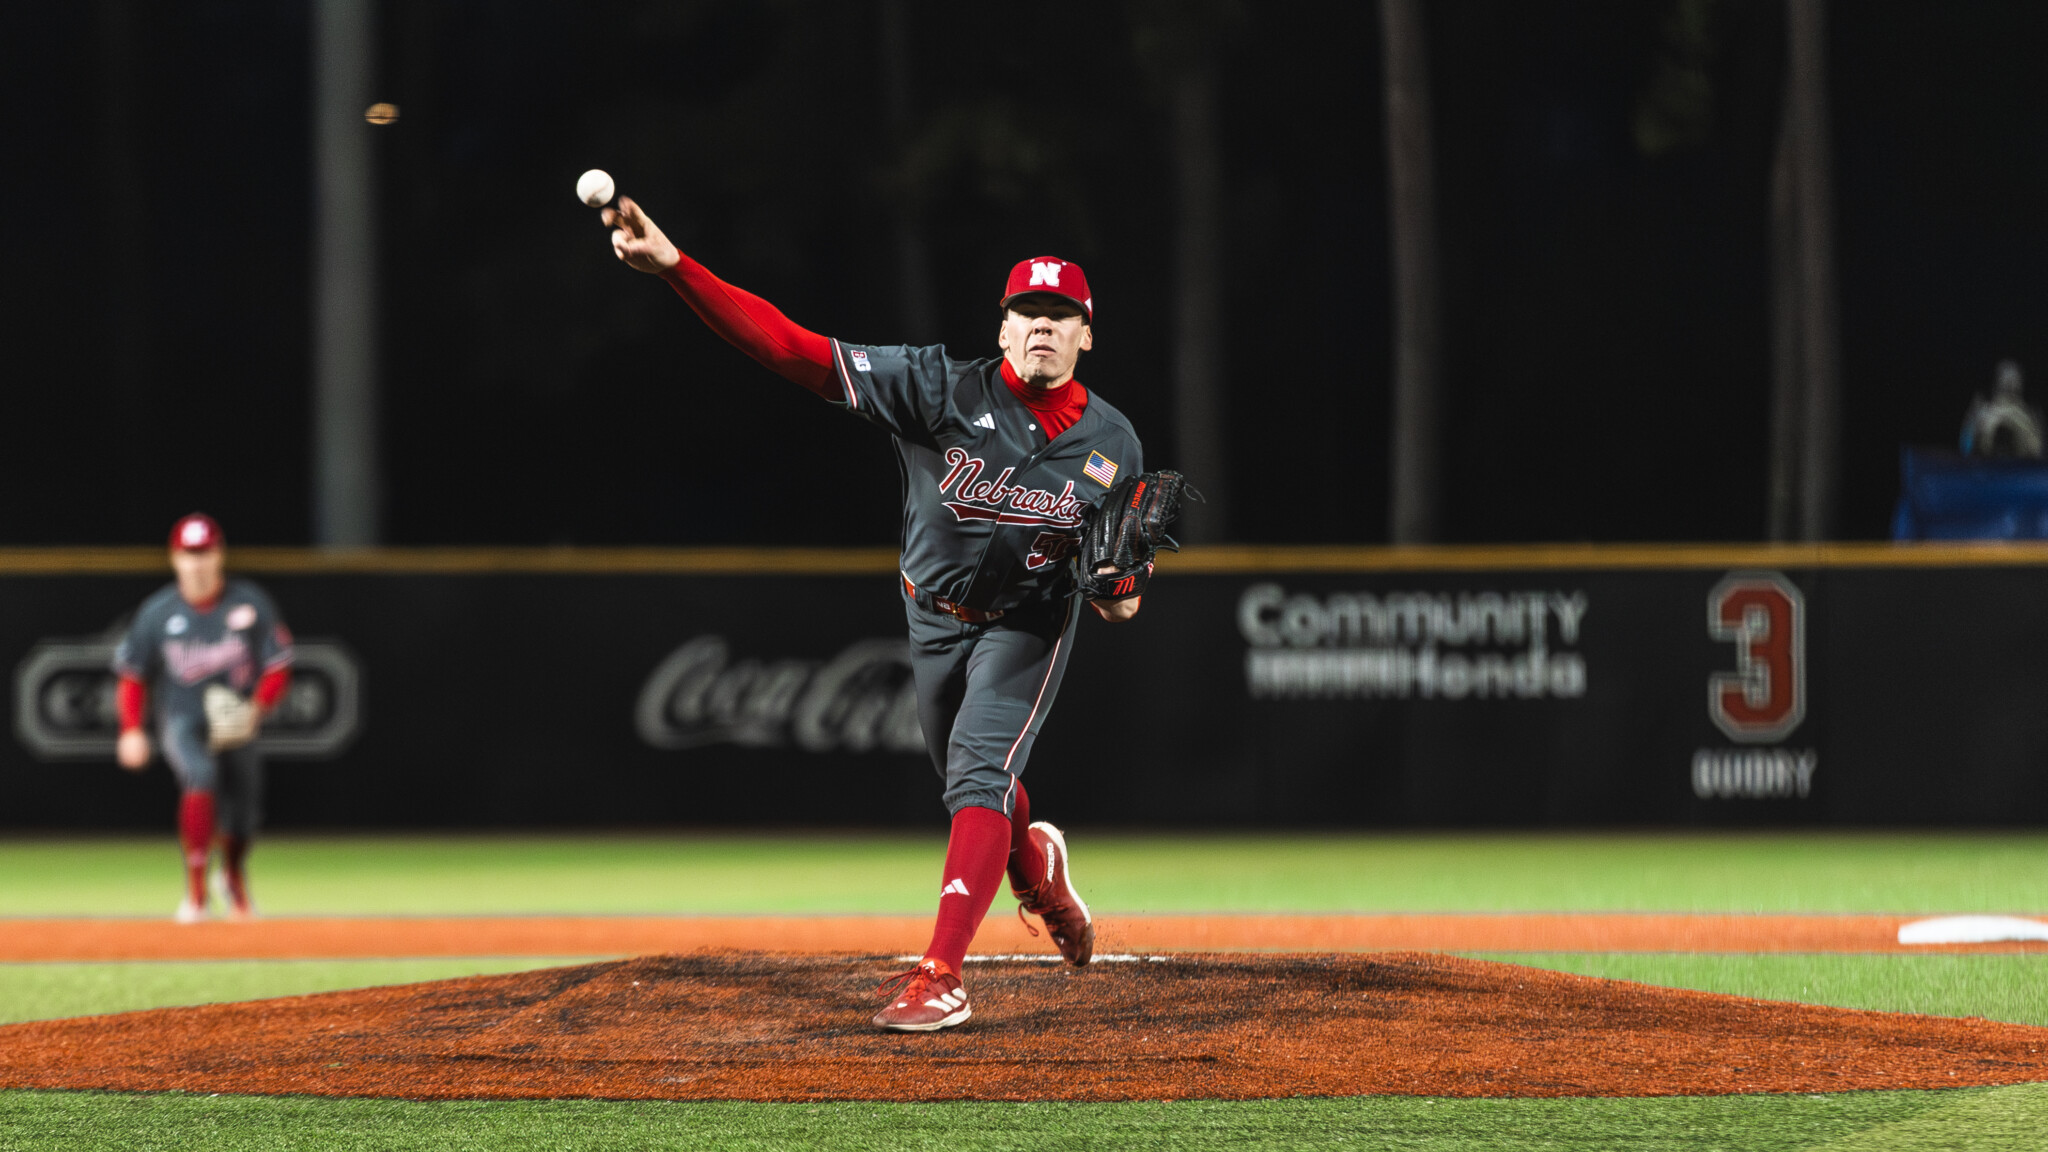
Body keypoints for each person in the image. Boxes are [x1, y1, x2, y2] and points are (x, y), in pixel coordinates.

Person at [606, 197, 1148, 1031]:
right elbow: (793, 350)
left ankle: (942, 975)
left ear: (1086, 335)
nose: (1043, 326)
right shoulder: (937, 388)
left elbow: (1123, 604)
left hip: (1027, 623)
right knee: (973, 784)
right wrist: (678, 268)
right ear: (1002, 328)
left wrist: (1113, 585)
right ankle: (1035, 868)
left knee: (976, 772)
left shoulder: (1116, 445)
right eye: (1027, 312)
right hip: (931, 619)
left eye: (1061, 314)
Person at [114, 514, 294, 923]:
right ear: (175, 558)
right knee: (200, 777)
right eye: (189, 554)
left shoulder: (249, 602)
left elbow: (279, 665)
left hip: (237, 720)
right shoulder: (158, 612)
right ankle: (195, 893)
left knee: (244, 812)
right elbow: (132, 674)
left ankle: (231, 876)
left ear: (219, 554)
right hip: (184, 718)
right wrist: (130, 729)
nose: (197, 563)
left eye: (205, 553)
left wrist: (257, 708)